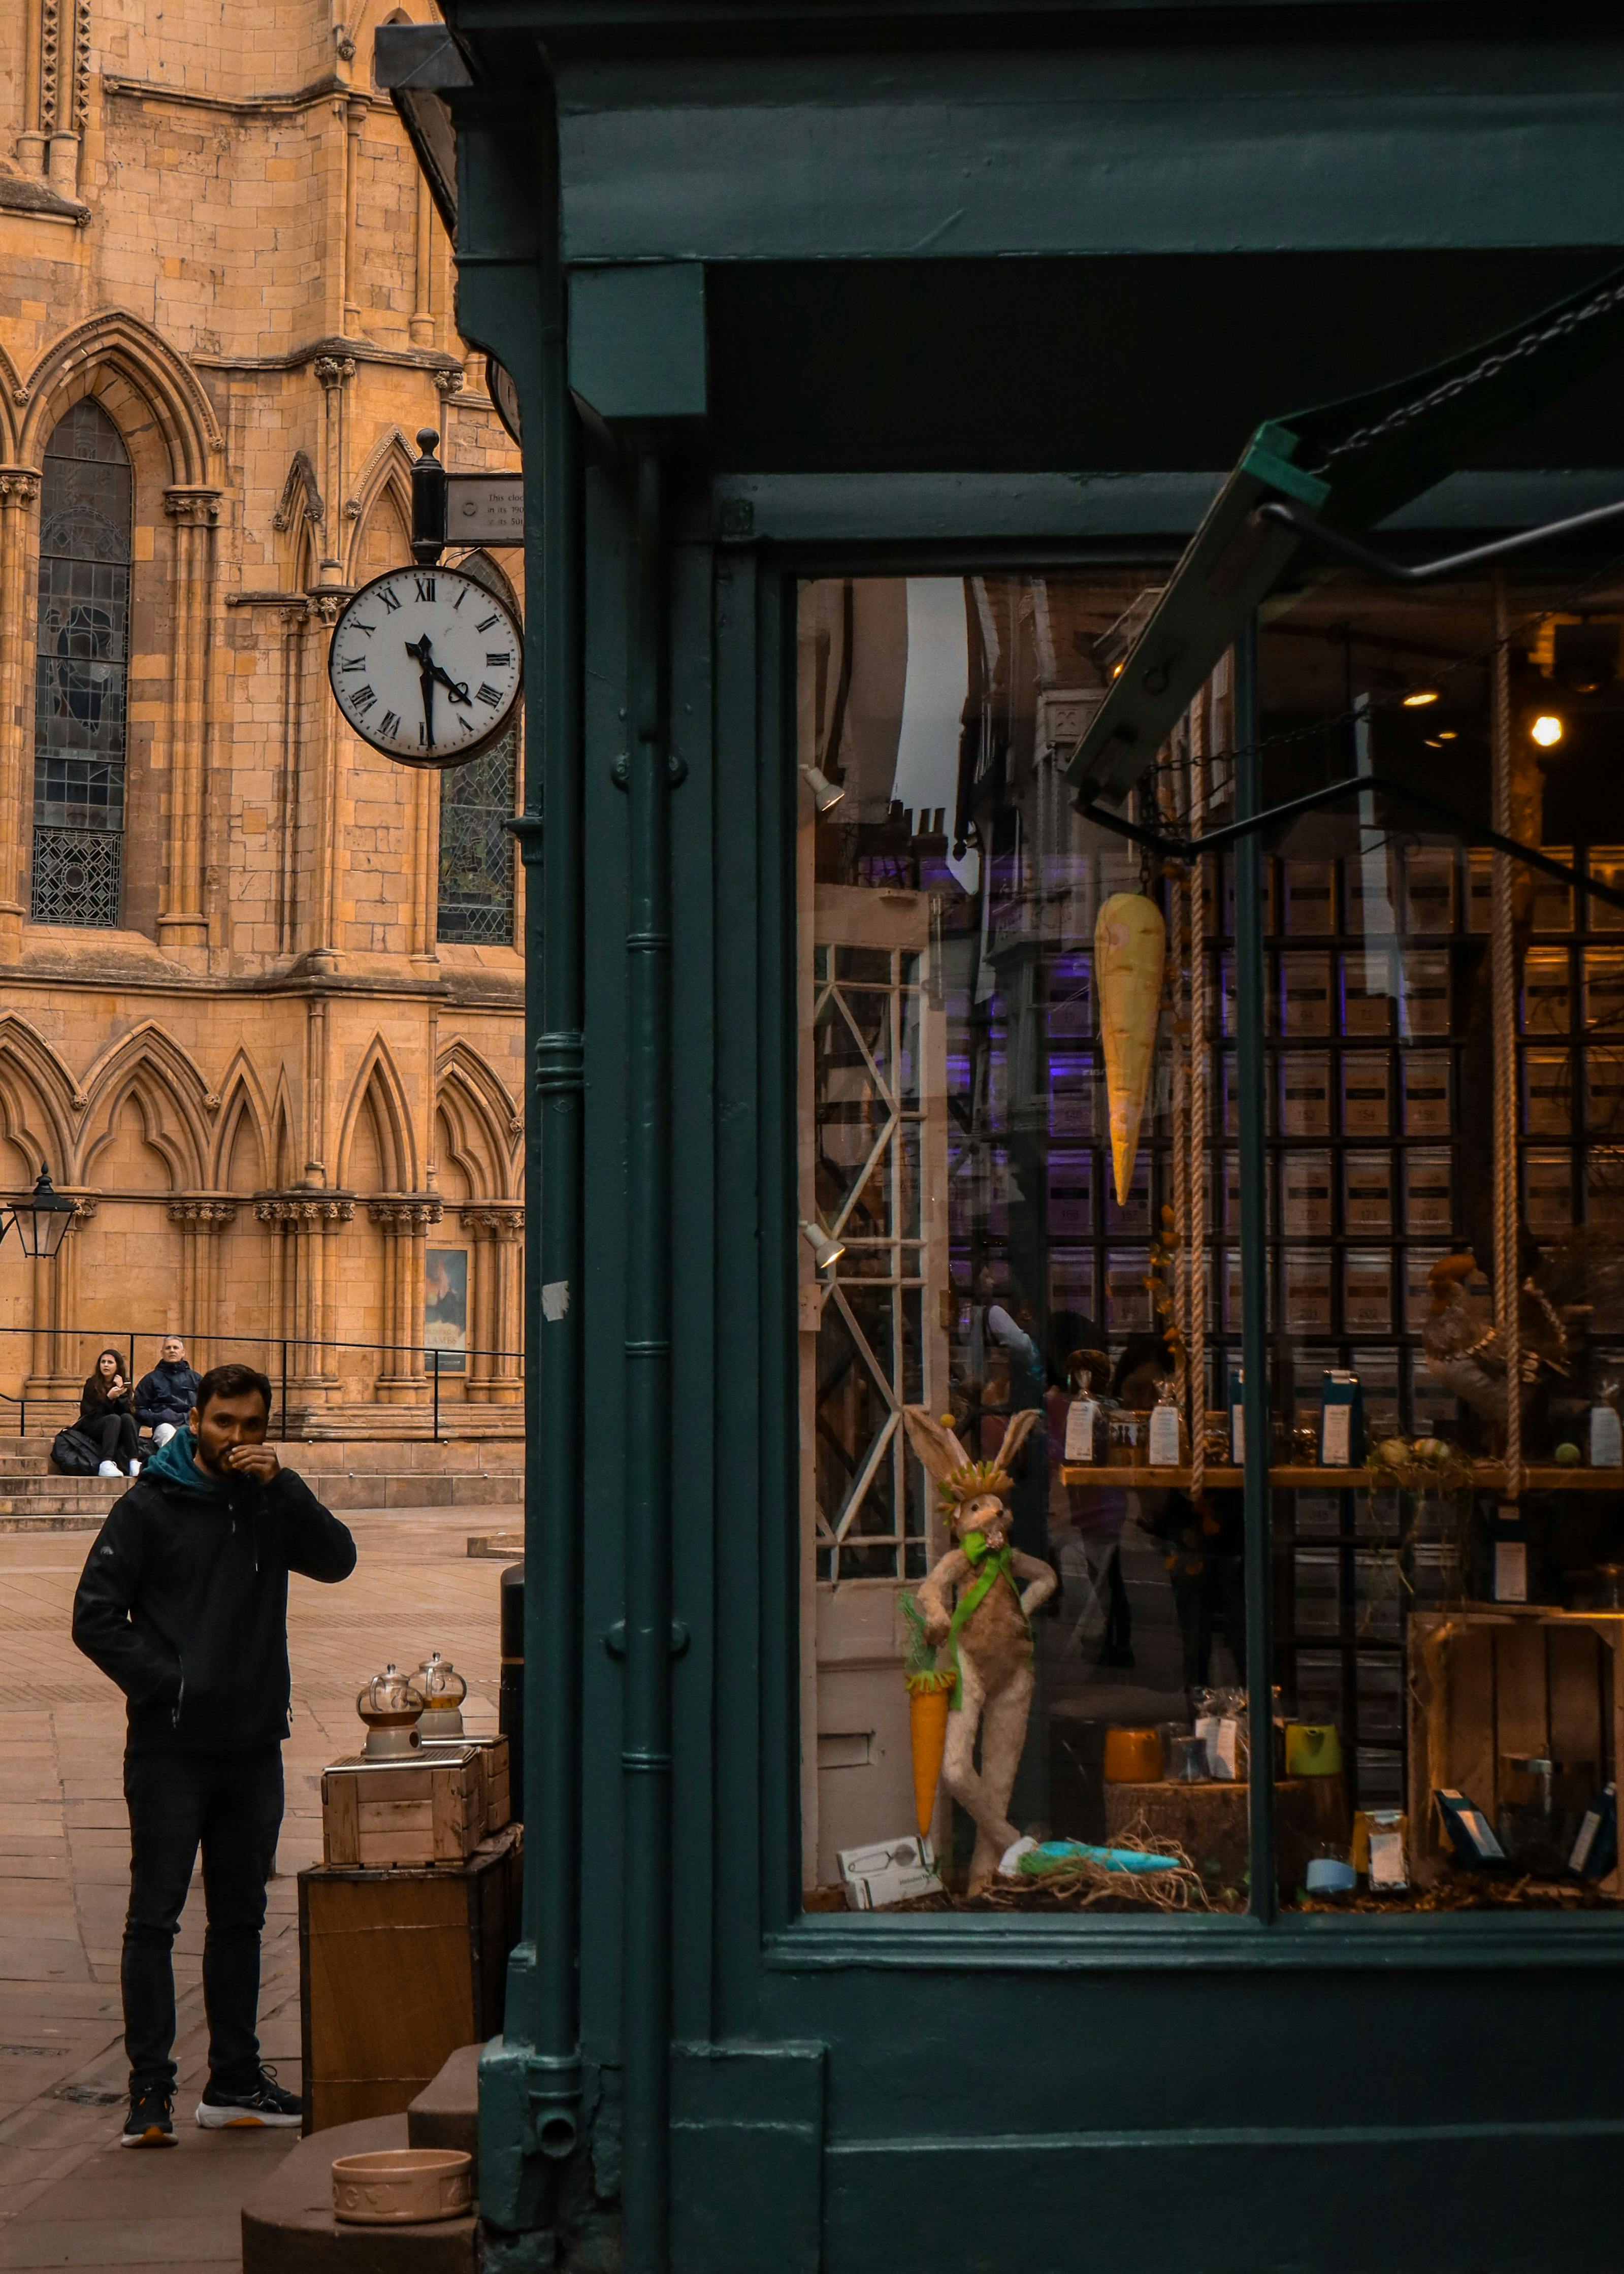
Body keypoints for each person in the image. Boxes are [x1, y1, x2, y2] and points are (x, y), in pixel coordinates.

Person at [71, 1360, 357, 2150]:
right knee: (153, 1918)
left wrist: (287, 1486)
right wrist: (172, 1683)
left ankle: (233, 2081)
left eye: (252, 1425)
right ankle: (150, 2091)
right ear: (195, 1417)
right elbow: (95, 1617)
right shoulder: (148, 1508)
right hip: (170, 1747)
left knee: (241, 1917)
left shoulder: (268, 1502)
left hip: (253, 1745)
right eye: (224, 1422)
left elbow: (338, 1559)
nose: (237, 1438)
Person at [80, 1347, 140, 1478]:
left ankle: (134, 1462)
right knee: (114, 1419)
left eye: (110, 1362)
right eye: (103, 1362)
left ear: (118, 1366)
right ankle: (106, 1463)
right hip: (93, 1425)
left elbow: (130, 1413)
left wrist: (122, 1393)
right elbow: (90, 1413)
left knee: (126, 1418)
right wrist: (108, 1398)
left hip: (116, 1427)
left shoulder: (125, 1384)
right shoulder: (92, 1384)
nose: (106, 1365)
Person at [134, 1335, 200, 1448]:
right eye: (168, 1348)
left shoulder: (195, 1378)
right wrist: (156, 1418)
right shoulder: (151, 1379)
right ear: (162, 1353)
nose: (172, 1351)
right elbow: (138, 1408)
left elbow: (207, 1405)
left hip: (191, 1424)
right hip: (164, 1425)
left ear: (183, 1352)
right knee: (170, 1440)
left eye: (176, 1348)